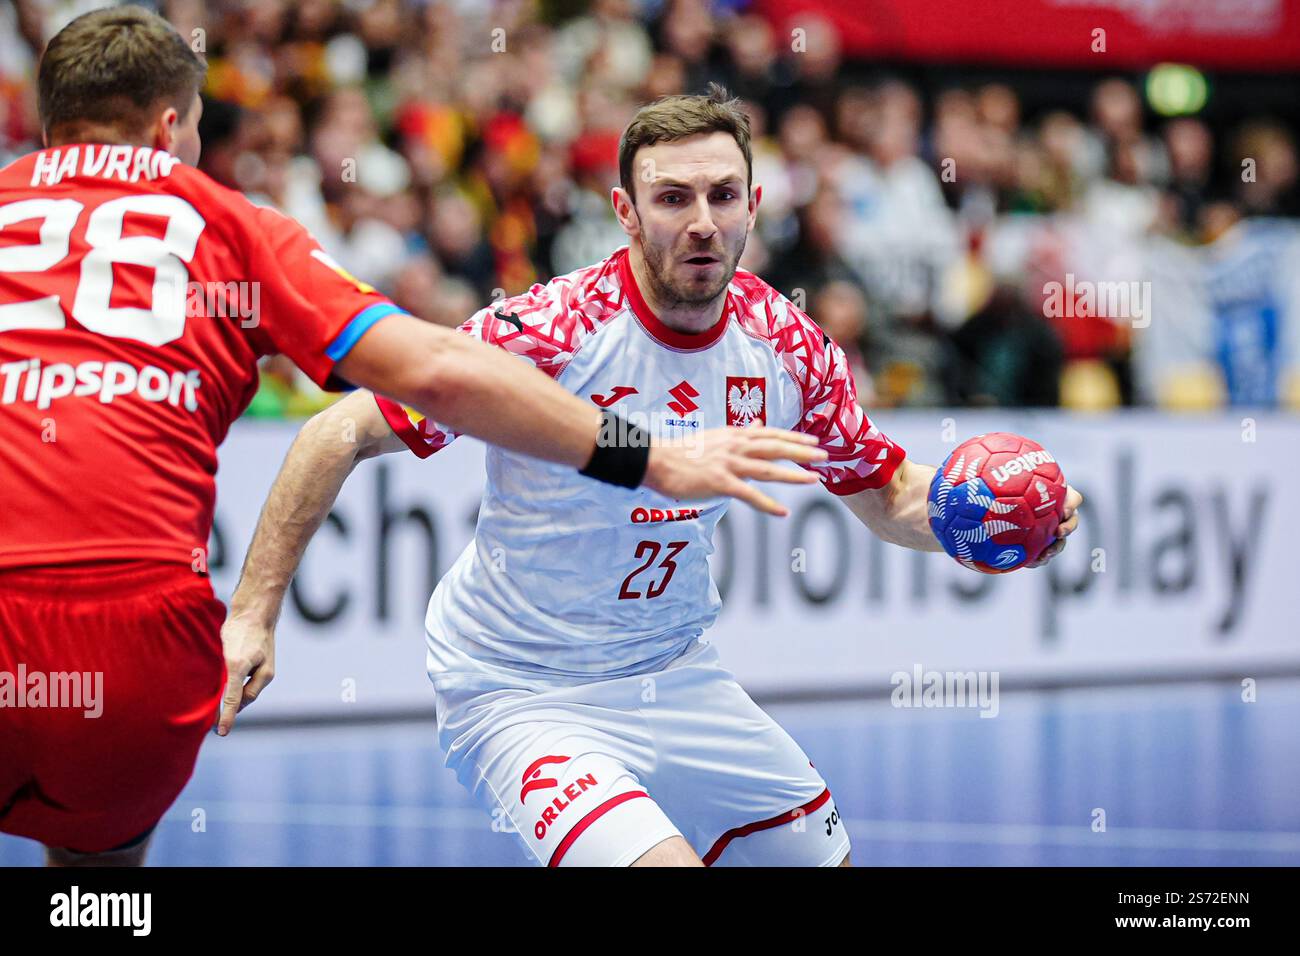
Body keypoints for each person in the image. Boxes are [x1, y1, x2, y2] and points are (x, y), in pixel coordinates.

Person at [0, 8, 817, 868]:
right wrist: (652, 455)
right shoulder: (227, 225)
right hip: (129, 630)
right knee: (94, 883)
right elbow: (436, 372)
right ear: (172, 128)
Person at [222, 85, 1083, 867]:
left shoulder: (789, 346)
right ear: (626, 213)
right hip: (520, 685)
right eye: (673, 198)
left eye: (722, 195)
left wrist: (1003, 511)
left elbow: (890, 494)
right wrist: (254, 615)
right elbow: (335, 434)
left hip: (677, 670)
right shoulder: (549, 332)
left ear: (754, 205)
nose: (702, 221)